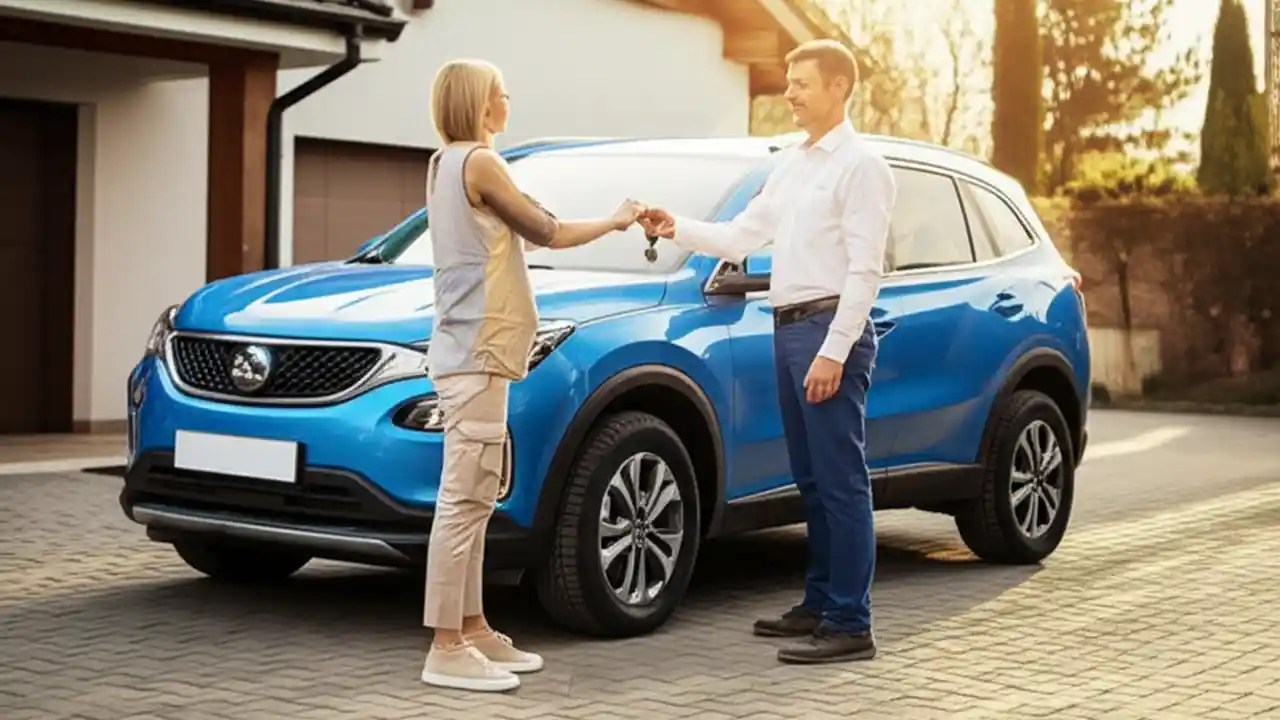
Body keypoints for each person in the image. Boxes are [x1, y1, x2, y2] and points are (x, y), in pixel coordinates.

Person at [638, 39, 896, 664]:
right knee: (810, 479)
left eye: (802, 82)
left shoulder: (862, 167)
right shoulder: (795, 164)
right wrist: (680, 228)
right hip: (786, 327)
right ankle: (818, 604)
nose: (790, 93)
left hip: (829, 329)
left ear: (839, 87)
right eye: (789, 81)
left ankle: (850, 622)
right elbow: (743, 233)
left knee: (841, 482)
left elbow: (866, 271)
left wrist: (834, 353)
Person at [420, 58, 645, 692]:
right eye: (501, 94)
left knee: (477, 495)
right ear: (480, 104)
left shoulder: (443, 164)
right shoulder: (481, 162)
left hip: (470, 349)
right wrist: (616, 220)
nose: (507, 103)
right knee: (465, 500)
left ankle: (473, 625)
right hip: (478, 351)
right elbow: (546, 231)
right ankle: (446, 645)